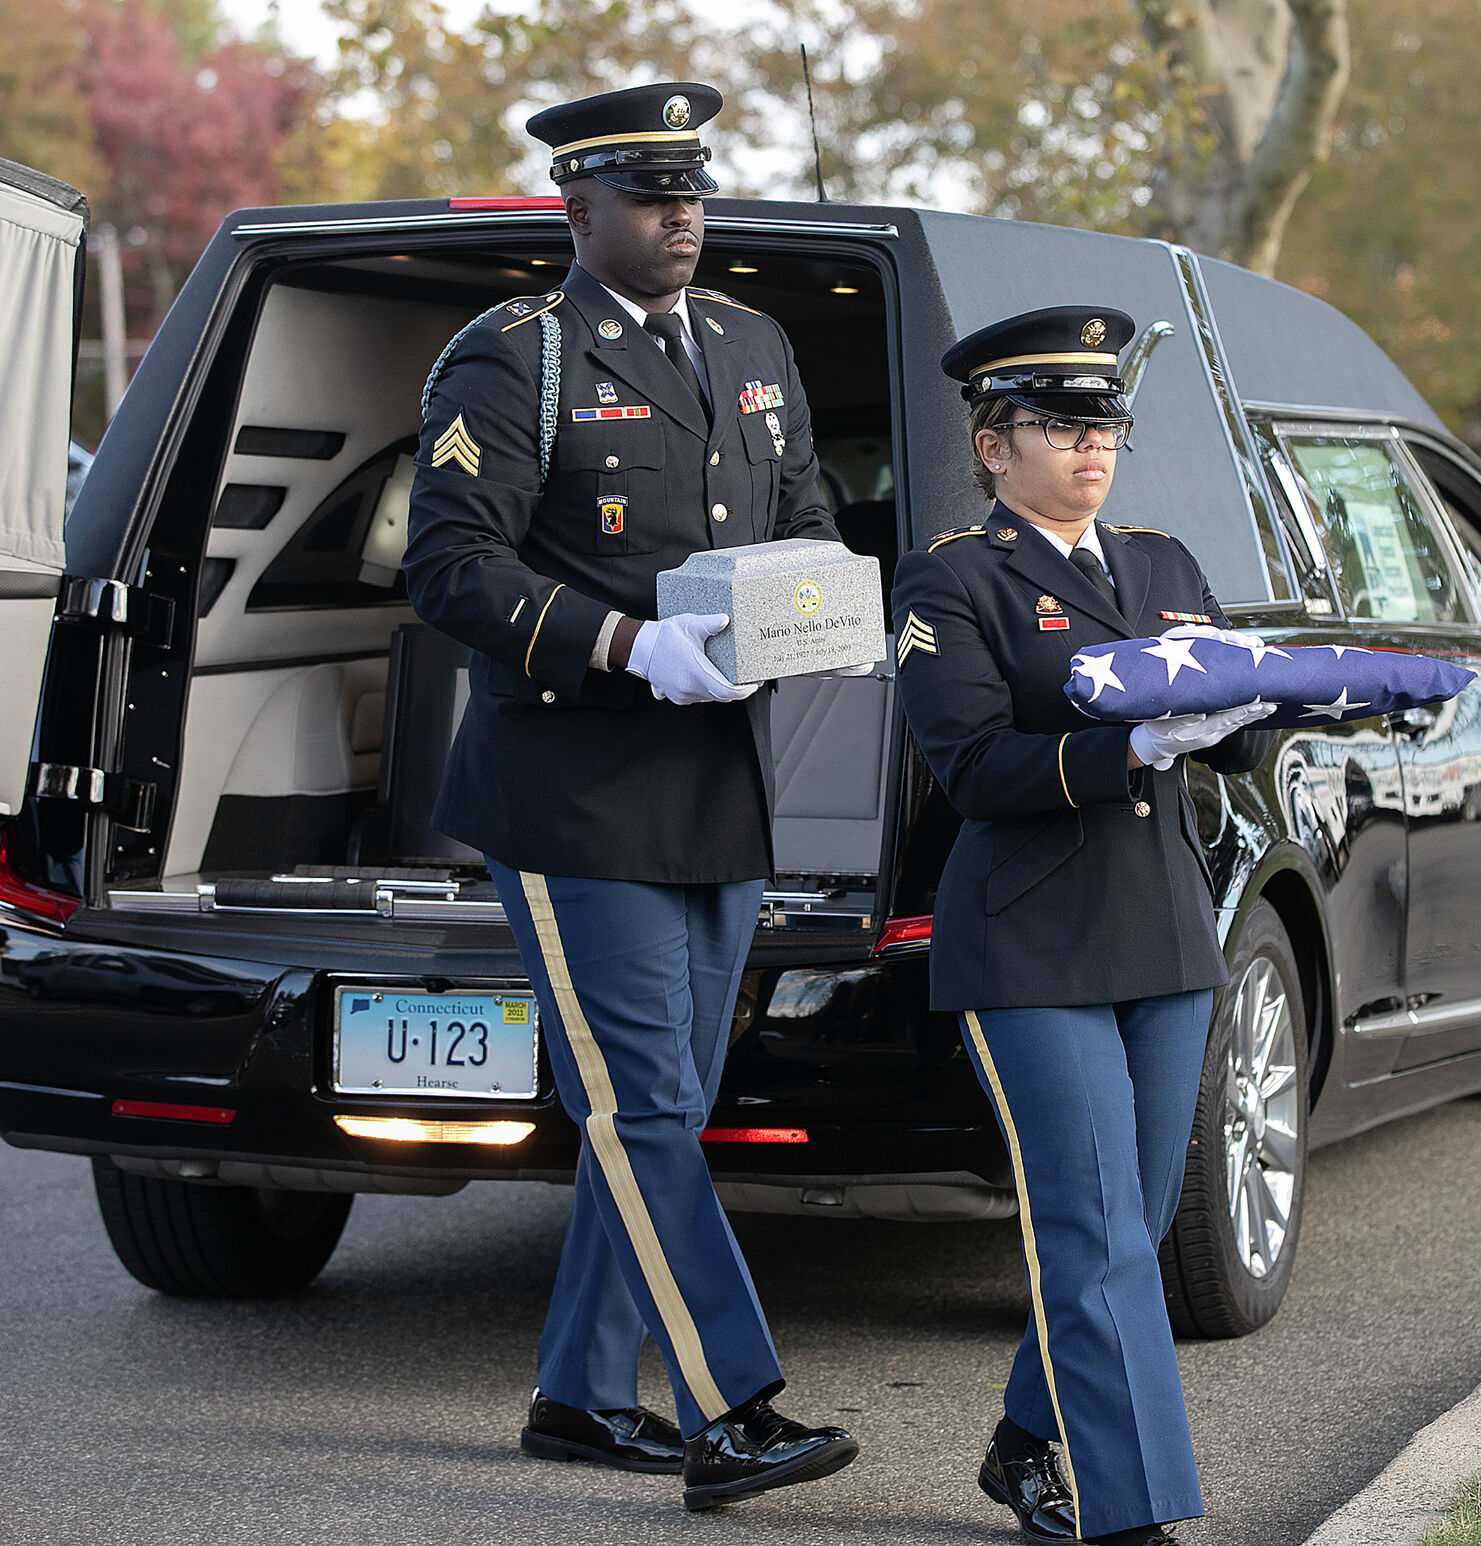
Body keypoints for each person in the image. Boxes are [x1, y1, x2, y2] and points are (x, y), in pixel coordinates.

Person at [403, 81, 859, 1511]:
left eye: (695, 192)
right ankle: (733, 1407)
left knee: (665, 1102)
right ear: (576, 206)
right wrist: (627, 641)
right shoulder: (515, 356)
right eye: (651, 195)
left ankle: (584, 1394)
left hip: (718, 782)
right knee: (644, 1102)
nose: (683, 216)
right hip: (571, 787)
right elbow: (454, 568)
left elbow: (808, 518)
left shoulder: (752, 342)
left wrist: (804, 612)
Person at [890, 306, 1276, 1545]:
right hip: (1029, 944)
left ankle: (1020, 1439)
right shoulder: (952, 576)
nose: (1089, 445)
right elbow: (969, 765)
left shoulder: (1160, 563)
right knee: (1098, 1225)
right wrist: (1128, 747)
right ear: (991, 447)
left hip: (1162, 932)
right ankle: (1130, 1508)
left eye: (1101, 420)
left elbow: (1239, 714)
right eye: (1057, 425)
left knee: (1134, 1218)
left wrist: (1286, 695)